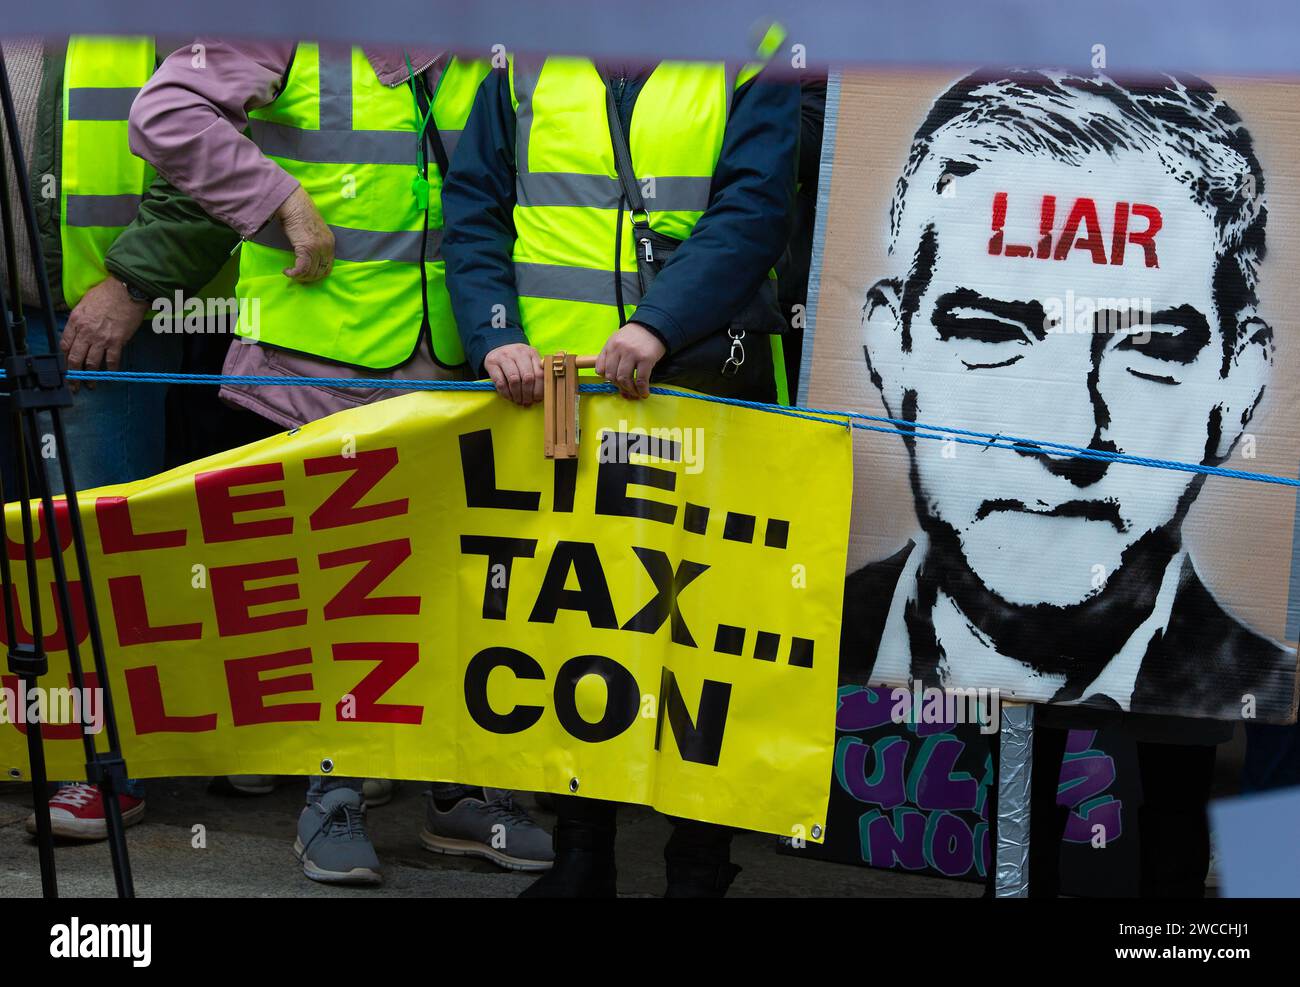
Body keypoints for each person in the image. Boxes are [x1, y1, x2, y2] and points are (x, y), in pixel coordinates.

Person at [840, 68, 1291, 896]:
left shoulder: (1260, 677)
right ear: (888, 346)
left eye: (1152, 346)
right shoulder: (821, 640)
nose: (1068, 434)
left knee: (1173, 839)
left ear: (1241, 382)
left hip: (1215, 782)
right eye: (987, 330)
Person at [130, 38, 554, 885]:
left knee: (460, 586)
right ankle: (330, 797)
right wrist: (279, 199)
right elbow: (165, 113)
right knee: (337, 591)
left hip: (457, 363)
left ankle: (459, 794)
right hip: (315, 365)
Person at [440, 31, 799, 896]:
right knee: (575, 624)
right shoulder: (522, 55)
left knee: (702, 629)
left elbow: (753, 211)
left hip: (705, 381)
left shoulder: (754, 50)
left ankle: (699, 862)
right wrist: (498, 333)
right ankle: (580, 853)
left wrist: (659, 323)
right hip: (559, 392)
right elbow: (476, 204)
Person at [0, 34, 240, 842]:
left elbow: (217, 154)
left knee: (100, 551)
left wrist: (134, 282)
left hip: (99, 323)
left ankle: (110, 767)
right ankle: (20, 748)